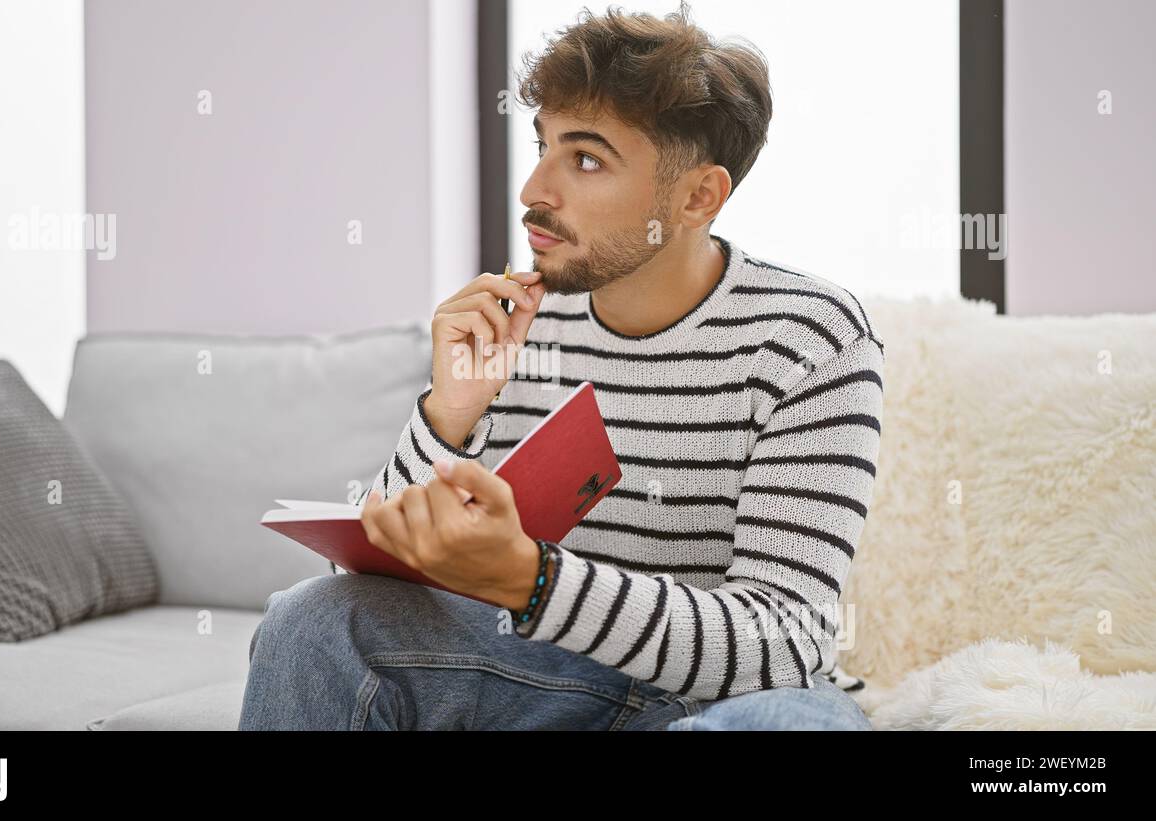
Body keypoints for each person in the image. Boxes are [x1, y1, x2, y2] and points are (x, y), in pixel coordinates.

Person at [240, 1, 882, 731]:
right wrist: (448, 415)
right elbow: (365, 594)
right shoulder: (519, 322)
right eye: (541, 145)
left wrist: (532, 580)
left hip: (733, 701)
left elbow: (783, 640)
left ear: (698, 196)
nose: (534, 192)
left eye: (584, 159)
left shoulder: (813, 336)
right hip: (547, 676)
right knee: (309, 621)